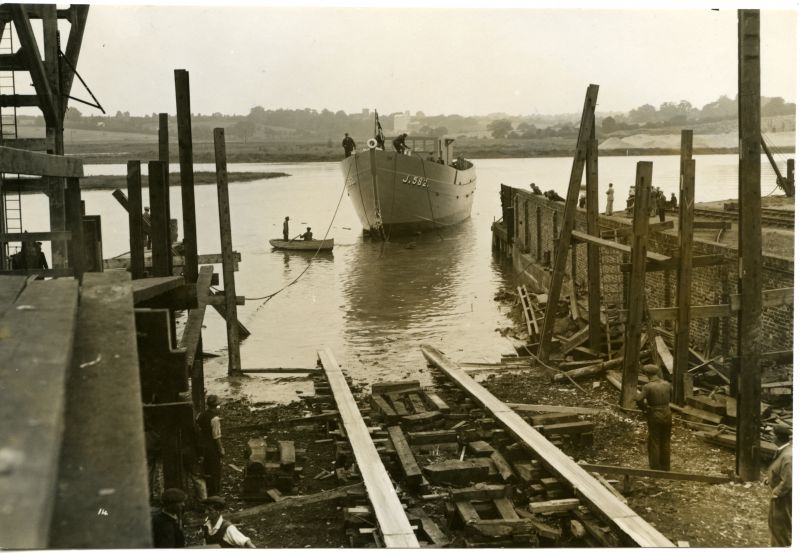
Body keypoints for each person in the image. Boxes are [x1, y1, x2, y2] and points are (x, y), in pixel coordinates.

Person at [635, 364, 672, 471]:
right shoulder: (667, 384)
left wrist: (644, 409)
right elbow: (671, 396)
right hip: (667, 413)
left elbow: (638, 399)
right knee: (665, 439)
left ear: (647, 374)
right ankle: (665, 466)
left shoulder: (647, 387)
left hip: (654, 414)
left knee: (654, 440)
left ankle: (655, 467)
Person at [765, 423, 792, 546]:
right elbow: (779, 470)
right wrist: (770, 479)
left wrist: (777, 492)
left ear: (778, 437)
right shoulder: (783, 450)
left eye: (772, 434)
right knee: (775, 527)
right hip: (780, 497)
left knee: (780, 529)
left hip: (783, 498)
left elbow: (789, 480)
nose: (770, 436)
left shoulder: (787, 456)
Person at [196, 395, 225, 497]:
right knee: (215, 469)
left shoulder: (200, 415)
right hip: (211, 446)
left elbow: (198, 428)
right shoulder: (215, 419)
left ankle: (206, 490)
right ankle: (214, 492)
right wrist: (221, 449)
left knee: (206, 467)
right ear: (216, 406)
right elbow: (216, 436)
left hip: (202, 444)